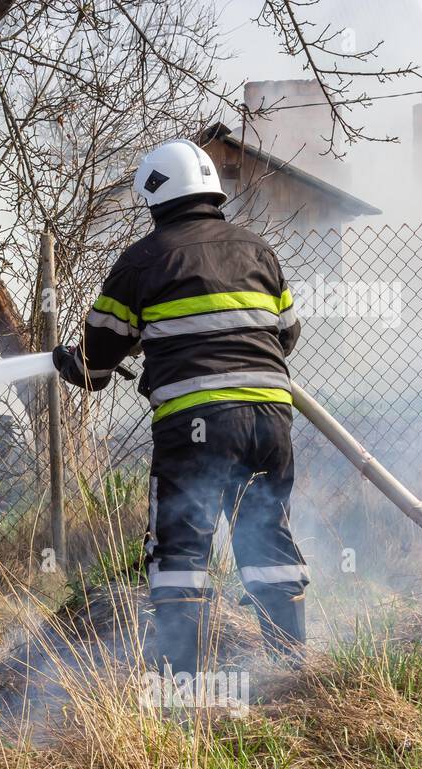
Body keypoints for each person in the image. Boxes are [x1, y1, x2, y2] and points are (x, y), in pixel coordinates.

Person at [53, 138, 308, 674]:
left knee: (181, 549)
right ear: (211, 188)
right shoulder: (258, 250)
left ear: (154, 196)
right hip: (270, 419)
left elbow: (96, 367)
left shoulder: (143, 260)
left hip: (197, 427)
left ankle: (181, 685)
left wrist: (72, 364)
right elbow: (286, 336)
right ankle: (290, 671)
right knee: (264, 534)